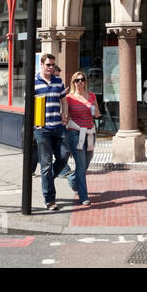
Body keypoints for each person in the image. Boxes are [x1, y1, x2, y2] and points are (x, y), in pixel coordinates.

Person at [34, 54, 70, 211]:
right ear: (41, 65)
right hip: (42, 129)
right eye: (48, 65)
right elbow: (29, 105)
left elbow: (63, 100)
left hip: (58, 127)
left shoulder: (58, 81)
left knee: (64, 156)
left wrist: (65, 114)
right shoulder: (33, 82)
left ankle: (47, 179)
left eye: (53, 65)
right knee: (46, 165)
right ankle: (50, 199)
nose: (51, 68)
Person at [63, 71, 98, 207]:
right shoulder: (69, 98)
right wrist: (64, 118)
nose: (79, 82)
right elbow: (65, 116)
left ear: (85, 82)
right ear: (73, 83)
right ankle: (83, 196)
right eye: (77, 80)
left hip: (90, 133)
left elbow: (97, 114)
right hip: (75, 133)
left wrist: (93, 110)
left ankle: (72, 179)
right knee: (82, 165)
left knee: (86, 162)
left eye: (82, 79)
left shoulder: (91, 96)